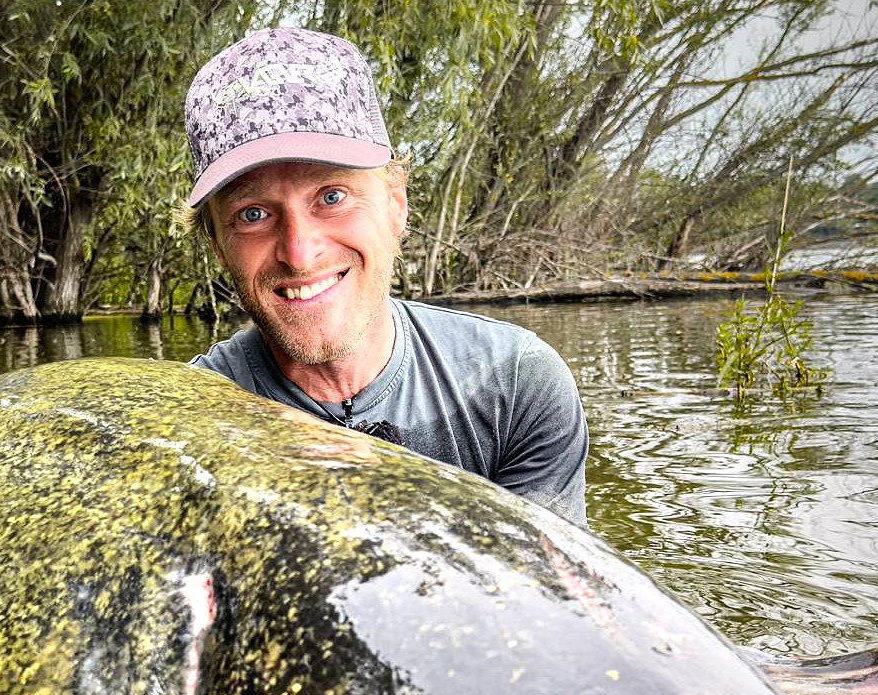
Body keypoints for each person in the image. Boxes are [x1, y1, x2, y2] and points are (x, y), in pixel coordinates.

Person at [182, 26, 588, 524]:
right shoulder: (187, 430)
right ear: (217, 246)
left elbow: (548, 596)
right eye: (252, 214)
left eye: (332, 196)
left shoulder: (516, 387)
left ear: (396, 204)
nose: (299, 253)